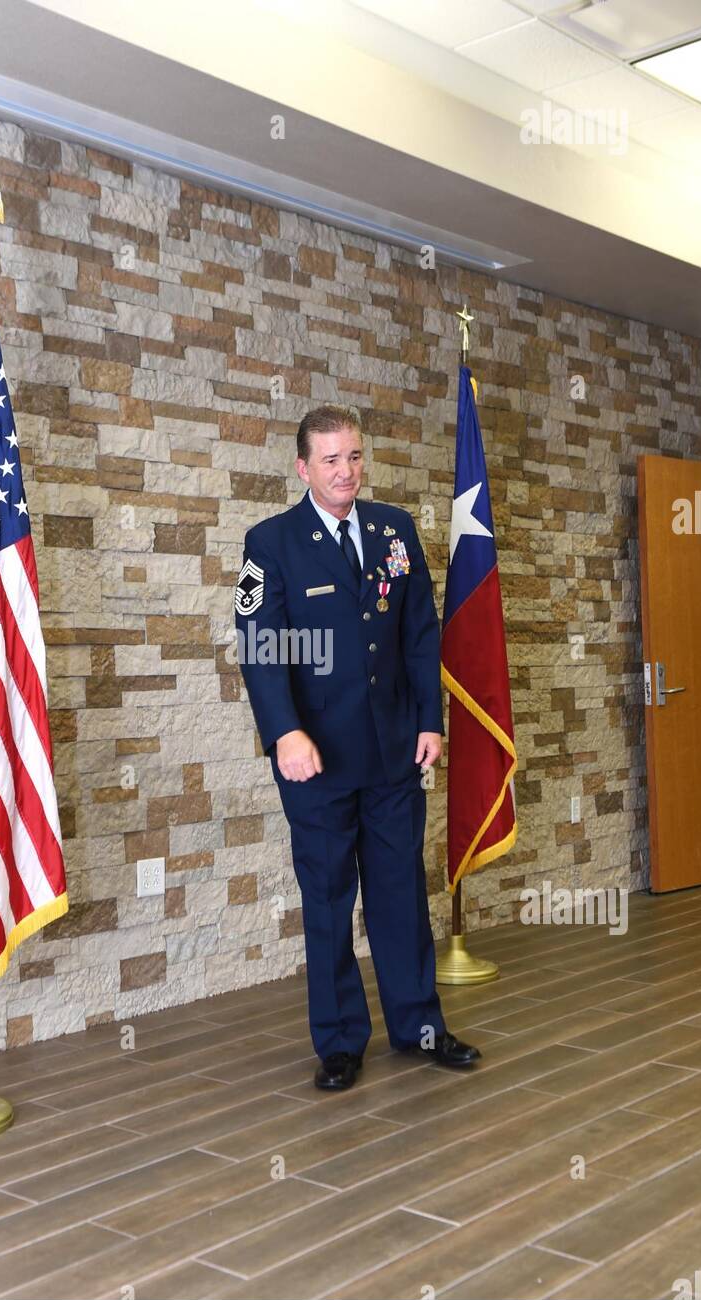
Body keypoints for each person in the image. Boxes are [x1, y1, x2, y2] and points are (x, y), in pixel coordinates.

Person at [234, 404, 481, 1090]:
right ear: (303, 467)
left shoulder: (393, 530)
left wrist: (429, 720)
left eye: (354, 456)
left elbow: (419, 632)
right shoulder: (271, 543)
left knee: (401, 891)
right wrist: (284, 732)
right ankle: (340, 1041)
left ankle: (419, 1026)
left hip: (395, 750)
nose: (346, 471)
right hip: (315, 757)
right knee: (329, 896)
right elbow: (260, 648)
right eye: (331, 460)